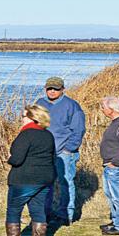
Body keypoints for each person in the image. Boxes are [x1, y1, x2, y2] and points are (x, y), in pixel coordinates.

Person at [4, 104, 58, 236]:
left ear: (31, 118)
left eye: (23, 116)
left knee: (14, 210)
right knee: (38, 210)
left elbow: (17, 159)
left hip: (24, 178)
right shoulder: (48, 135)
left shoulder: (26, 135)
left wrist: (9, 159)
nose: (21, 119)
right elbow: (52, 157)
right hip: (45, 179)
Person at [35, 76, 86, 227]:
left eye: (56, 89)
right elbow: (34, 124)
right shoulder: (40, 103)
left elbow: (78, 130)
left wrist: (68, 148)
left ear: (62, 89)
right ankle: (45, 213)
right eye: (49, 88)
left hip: (64, 152)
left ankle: (66, 215)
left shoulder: (72, 106)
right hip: (44, 152)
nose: (52, 91)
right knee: (45, 184)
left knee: (66, 182)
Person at [96, 97, 119, 236]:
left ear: (111, 109)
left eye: (103, 107)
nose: (102, 109)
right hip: (111, 166)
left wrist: (116, 162)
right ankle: (117, 220)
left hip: (118, 167)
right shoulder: (117, 122)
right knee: (111, 195)